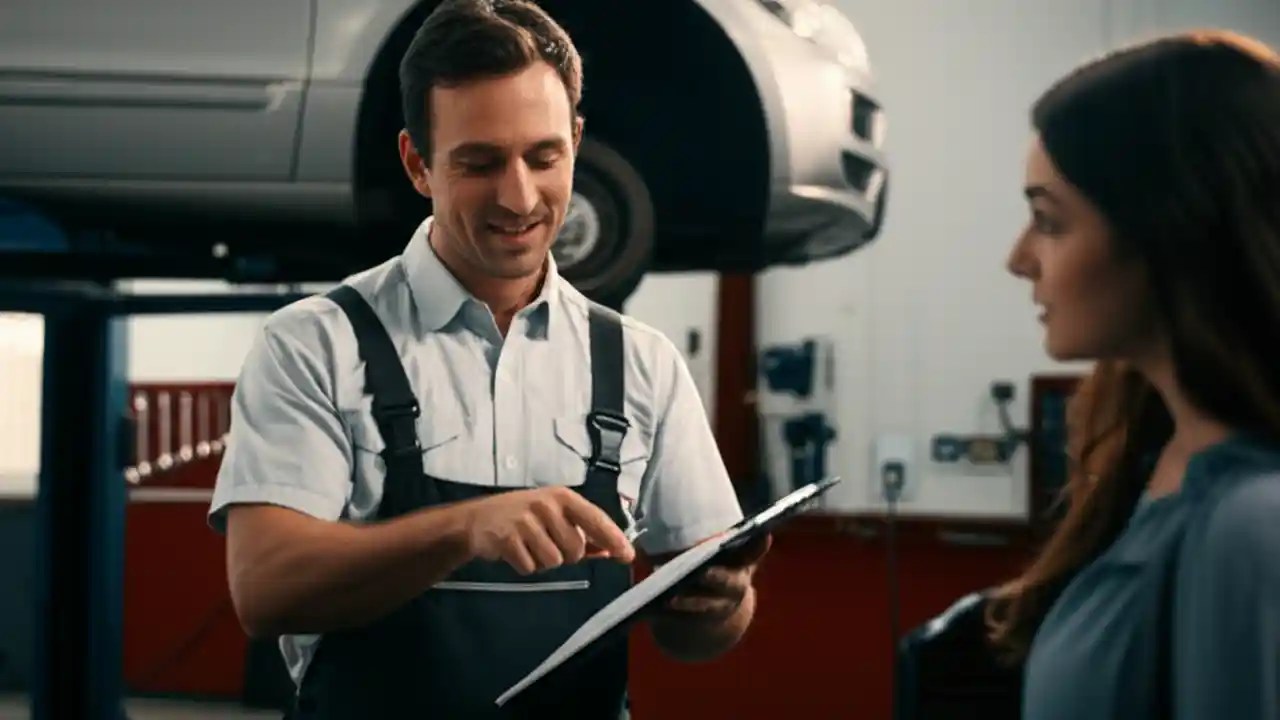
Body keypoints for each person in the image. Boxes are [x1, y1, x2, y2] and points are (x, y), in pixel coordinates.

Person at [206, 1, 769, 717]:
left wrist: (720, 602)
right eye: (480, 162)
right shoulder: (315, 344)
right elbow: (265, 588)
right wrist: (467, 528)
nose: (519, 196)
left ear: (576, 141)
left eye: (544, 156)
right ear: (418, 164)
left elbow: (701, 637)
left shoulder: (640, 365)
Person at [988, 28, 1280, 719]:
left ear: (1171, 230)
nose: (1018, 258)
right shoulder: (1152, 455)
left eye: (1048, 221)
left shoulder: (1252, 524)